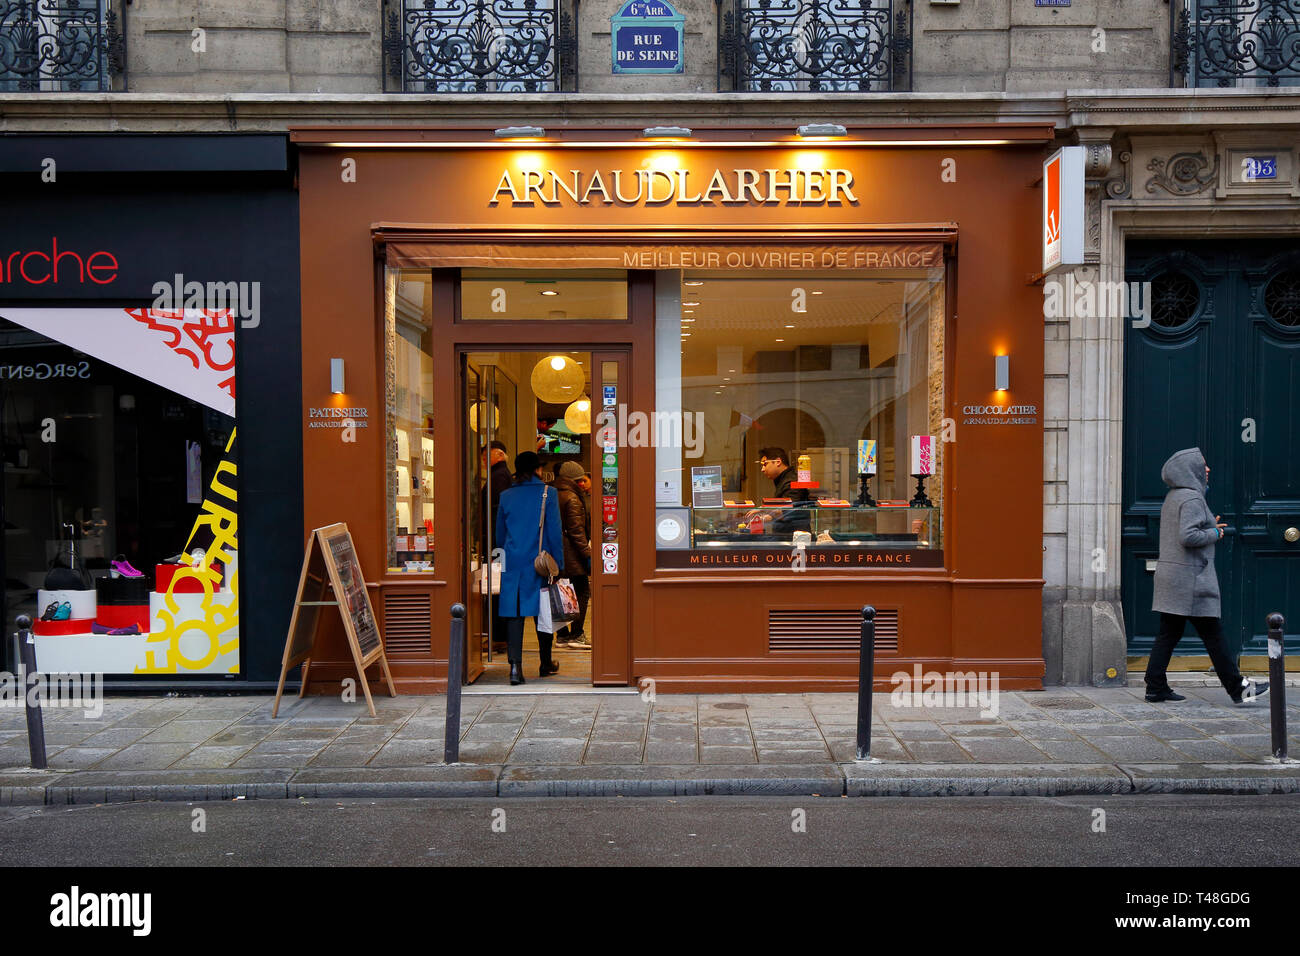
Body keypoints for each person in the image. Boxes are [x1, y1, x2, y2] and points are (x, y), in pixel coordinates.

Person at [1147, 447, 1268, 705]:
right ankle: (1238, 689)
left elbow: (1186, 529)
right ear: (1190, 469)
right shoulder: (1192, 498)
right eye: (1203, 465)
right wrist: (1214, 534)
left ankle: (1155, 686)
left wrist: (1210, 525)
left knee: (1168, 634)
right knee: (1213, 634)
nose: (1208, 469)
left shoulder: (1175, 496)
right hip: (1191, 579)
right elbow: (1188, 536)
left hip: (1174, 576)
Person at [495, 451, 565, 684]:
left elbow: (499, 536)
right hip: (540, 563)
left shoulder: (506, 496)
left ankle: (515, 668)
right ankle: (545, 663)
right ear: (537, 469)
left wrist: (503, 562)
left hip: (513, 564)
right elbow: (554, 533)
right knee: (543, 611)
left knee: (514, 615)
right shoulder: (549, 493)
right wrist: (559, 565)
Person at [551, 461, 592, 649]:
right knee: (582, 592)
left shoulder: (551, 493)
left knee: (559, 593)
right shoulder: (573, 498)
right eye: (579, 480)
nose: (582, 484)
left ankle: (561, 636)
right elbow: (576, 531)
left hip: (555, 551)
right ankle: (576, 634)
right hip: (572, 554)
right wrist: (587, 554)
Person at [758, 447, 811, 532]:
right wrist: (762, 518)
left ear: (778, 462)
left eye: (765, 464)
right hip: (787, 536)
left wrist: (762, 509)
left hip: (794, 538)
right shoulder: (783, 480)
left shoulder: (791, 482)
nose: (762, 469)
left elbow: (787, 513)